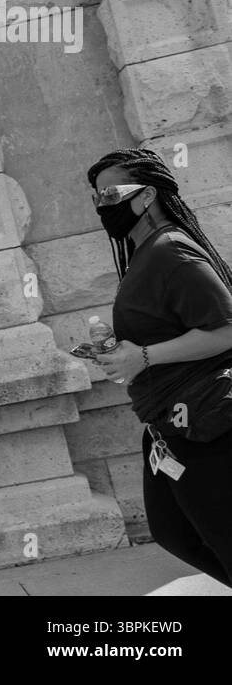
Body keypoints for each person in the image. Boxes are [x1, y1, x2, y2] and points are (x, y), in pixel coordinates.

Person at [88, 149, 232, 587]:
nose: (102, 204)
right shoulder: (145, 253)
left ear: (148, 195)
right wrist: (121, 351)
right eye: (96, 196)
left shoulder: (171, 250)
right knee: (174, 534)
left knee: (221, 538)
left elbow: (227, 330)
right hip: (165, 423)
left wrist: (144, 356)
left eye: (111, 192)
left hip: (204, 420)